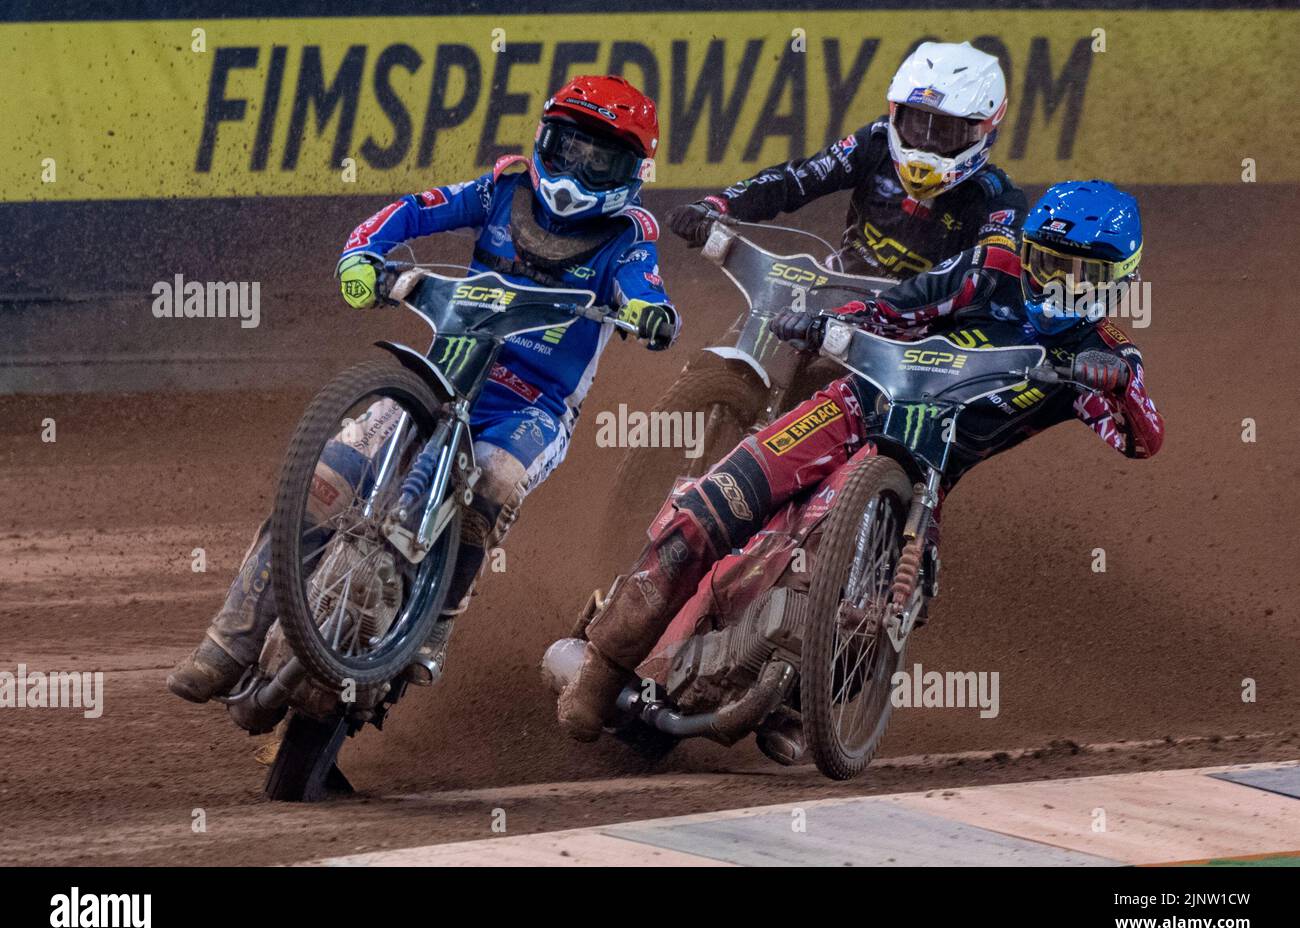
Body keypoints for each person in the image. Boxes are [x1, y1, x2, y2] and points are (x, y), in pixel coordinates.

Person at [556, 179, 1165, 743]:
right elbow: (898, 304)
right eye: (1047, 263)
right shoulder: (992, 266)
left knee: (902, 600)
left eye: (1078, 275)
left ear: (1117, 283)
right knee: (714, 505)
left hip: (926, 477)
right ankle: (603, 666)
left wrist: (1118, 384)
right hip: (853, 406)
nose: (1055, 282)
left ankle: (796, 700)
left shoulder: (1103, 355)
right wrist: (826, 323)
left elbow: (1143, 439)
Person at [168, 75, 680, 703]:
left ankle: (435, 625)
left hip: (532, 409)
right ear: (544, 140)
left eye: (601, 160)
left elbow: (646, 290)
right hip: (440, 378)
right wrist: (362, 257)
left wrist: (651, 315)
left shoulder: (630, 239)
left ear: (633, 172)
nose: (577, 169)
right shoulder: (503, 189)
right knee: (329, 472)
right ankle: (227, 643)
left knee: (494, 478)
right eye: (568, 147)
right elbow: (412, 210)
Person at [665, 41, 1026, 277]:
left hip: (921, 335)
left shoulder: (997, 199)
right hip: (838, 288)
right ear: (895, 114)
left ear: (986, 130)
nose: (926, 143)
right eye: (916, 124)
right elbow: (796, 180)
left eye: (946, 132)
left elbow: (995, 279)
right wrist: (719, 204)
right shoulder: (877, 141)